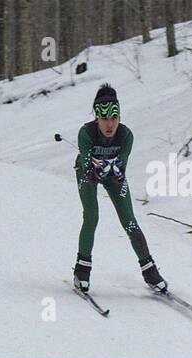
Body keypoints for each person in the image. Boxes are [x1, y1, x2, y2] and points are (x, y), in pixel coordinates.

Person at [72, 83, 167, 294]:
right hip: (87, 175)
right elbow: (87, 166)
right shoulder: (85, 133)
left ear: (119, 118)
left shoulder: (126, 135)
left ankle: (150, 271)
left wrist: (114, 169)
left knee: (130, 221)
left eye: (114, 119)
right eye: (104, 119)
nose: (109, 125)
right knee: (92, 216)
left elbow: (122, 165)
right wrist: (99, 168)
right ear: (97, 118)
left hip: (113, 175)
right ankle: (82, 270)